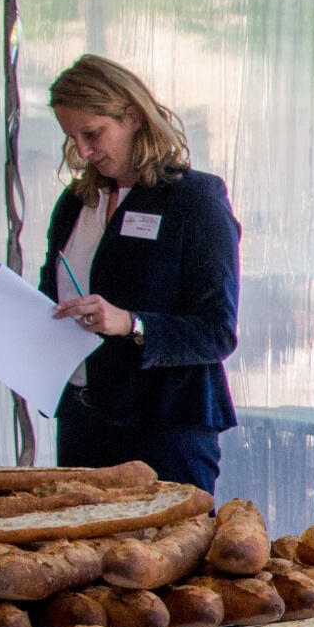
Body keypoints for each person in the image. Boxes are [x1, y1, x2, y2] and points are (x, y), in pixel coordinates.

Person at [39, 56, 241, 492]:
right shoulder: (77, 203)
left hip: (164, 426)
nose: (84, 150)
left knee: (165, 555)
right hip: (83, 417)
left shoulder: (193, 200)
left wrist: (131, 323)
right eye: (72, 138)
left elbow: (217, 332)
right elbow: (51, 297)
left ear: (132, 115)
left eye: (92, 133)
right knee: (82, 557)